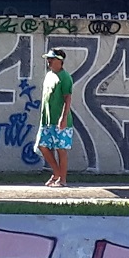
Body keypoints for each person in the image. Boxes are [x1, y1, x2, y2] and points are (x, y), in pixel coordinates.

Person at [36, 47, 74, 187]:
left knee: (61, 149)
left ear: (59, 60)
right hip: (47, 120)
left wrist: (63, 118)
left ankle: (62, 179)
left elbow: (67, 98)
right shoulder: (49, 75)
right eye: (48, 59)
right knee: (42, 145)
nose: (48, 61)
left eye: (51, 59)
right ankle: (56, 172)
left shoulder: (65, 78)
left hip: (60, 120)